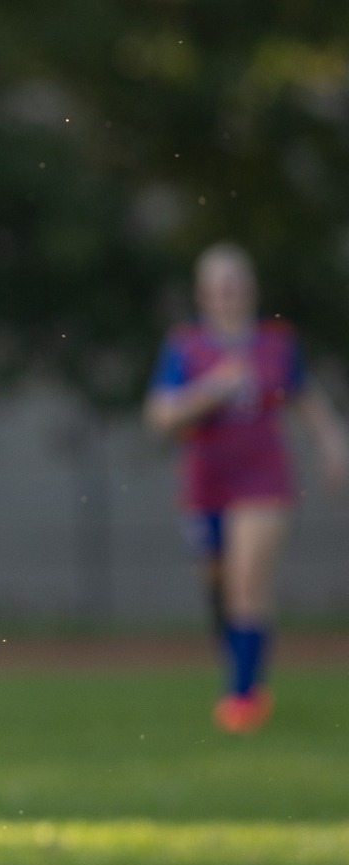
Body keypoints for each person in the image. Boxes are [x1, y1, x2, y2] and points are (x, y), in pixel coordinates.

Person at [144, 242, 348, 733]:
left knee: (247, 583)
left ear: (250, 289)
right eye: (217, 287)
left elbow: (307, 401)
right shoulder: (187, 348)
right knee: (219, 588)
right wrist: (212, 390)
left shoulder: (276, 344)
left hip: (264, 479)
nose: (227, 295)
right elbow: (161, 416)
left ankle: (241, 698)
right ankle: (243, 670)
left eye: (235, 284)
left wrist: (333, 445)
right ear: (203, 295)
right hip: (206, 483)